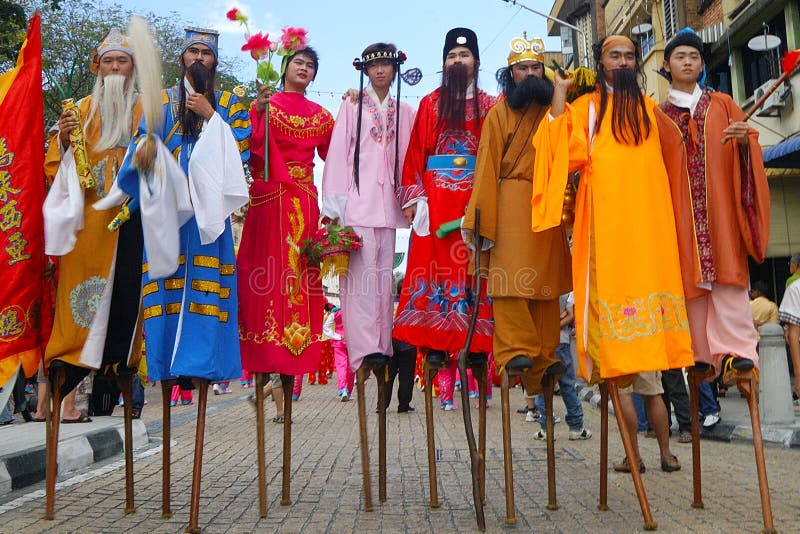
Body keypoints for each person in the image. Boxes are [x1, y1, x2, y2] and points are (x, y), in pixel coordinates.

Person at [531, 35, 694, 472]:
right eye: (614, 55)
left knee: (629, 383)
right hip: (607, 238)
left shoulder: (649, 110)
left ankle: (645, 456)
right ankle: (657, 456)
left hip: (649, 242)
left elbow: (679, 155)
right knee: (647, 384)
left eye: (628, 55)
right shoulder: (589, 109)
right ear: (601, 62)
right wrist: (562, 94)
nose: (622, 60)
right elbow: (560, 153)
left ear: (635, 62)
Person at [119, 26, 250, 388]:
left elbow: (240, 156)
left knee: (207, 289)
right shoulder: (159, 101)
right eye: (192, 52)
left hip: (208, 219)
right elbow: (140, 151)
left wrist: (211, 116)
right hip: (168, 216)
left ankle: (201, 365)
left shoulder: (230, 106)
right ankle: (165, 365)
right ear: (182, 59)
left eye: (205, 54)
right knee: (165, 289)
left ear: (215, 62)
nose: (198, 59)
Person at [462, 33, 572, 410]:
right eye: (522, 68)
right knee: (509, 282)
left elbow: (562, 142)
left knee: (545, 285)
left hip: (545, 201)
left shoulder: (553, 109)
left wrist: (560, 93)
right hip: (508, 201)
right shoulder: (498, 113)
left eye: (535, 67)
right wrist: (481, 218)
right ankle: (515, 351)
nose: (529, 74)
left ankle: (545, 356)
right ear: (510, 73)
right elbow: (486, 166)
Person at [655, 28, 770, 386]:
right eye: (680, 57)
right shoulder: (657, 115)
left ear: (702, 64)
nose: (688, 62)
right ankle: (701, 356)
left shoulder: (722, 104)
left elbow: (749, 141)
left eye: (694, 57)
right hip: (680, 216)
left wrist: (742, 144)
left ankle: (737, 354)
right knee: (691, 286)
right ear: (666, 65)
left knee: (729, 283)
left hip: (721, 213)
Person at [393, 28, 497, 409]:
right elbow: (413, 157)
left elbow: (497, 158)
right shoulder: (429, 104)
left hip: (476, 199)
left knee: (474, 271)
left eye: (464, 56)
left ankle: (479, 346)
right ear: (443, 63)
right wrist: (415, 201)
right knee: (433, 269)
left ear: (477, 62)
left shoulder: (491, 105)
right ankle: (433, 345)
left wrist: (491, 203)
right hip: (435, 204)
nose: (458, 62)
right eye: (452, 56)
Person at [43, 29, 144, 412]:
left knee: (127, 297)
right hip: (88, 224)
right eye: (109, 61)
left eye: (122, 60)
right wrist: (66, 141)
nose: (115, 67)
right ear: (98, 67)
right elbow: (53, 167)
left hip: (132, 220)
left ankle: (112, 385)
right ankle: (65, 380)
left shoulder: (146, 109)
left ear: (132, 66)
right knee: (81, 301)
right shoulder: (79, 110)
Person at [238, 46, 333, 381]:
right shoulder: (264, 104)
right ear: (284, 68)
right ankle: (265, 348)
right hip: (272, 198)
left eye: (310, 65)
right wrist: (259, 113)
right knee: (266, 271)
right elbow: (250, 146)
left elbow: (336, 157)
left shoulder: (322, 115)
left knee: (301, 269)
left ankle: (296, 348)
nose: (304, 68)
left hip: (305, 200)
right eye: (298, 63)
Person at [322, 42, 415, 377]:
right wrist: (334, 205)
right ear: (364, 70)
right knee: (358, 280)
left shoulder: (405, 111)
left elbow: (410, 156)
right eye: (373, 66)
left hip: (389, 203)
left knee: (382, 280)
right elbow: (336, 153)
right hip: (357, 202)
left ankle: (383, 346)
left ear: (395, 69)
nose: (379, 71)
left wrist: (412, 199)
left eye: (386, 65)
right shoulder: (351, 105)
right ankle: (363, 349)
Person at [533, 293, 591, 440]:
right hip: (561, 341)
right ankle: (576, 427)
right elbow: (571, 315)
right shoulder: (566, 289)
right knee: (567, 385)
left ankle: (546, 428)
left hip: (542, 342)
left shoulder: (537, 285)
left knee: (543, 384)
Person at [778, 252, 800, 400]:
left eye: (791, 264)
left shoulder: (792, 283)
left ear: (796, 265)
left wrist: (786, 328)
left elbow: (793, 327)